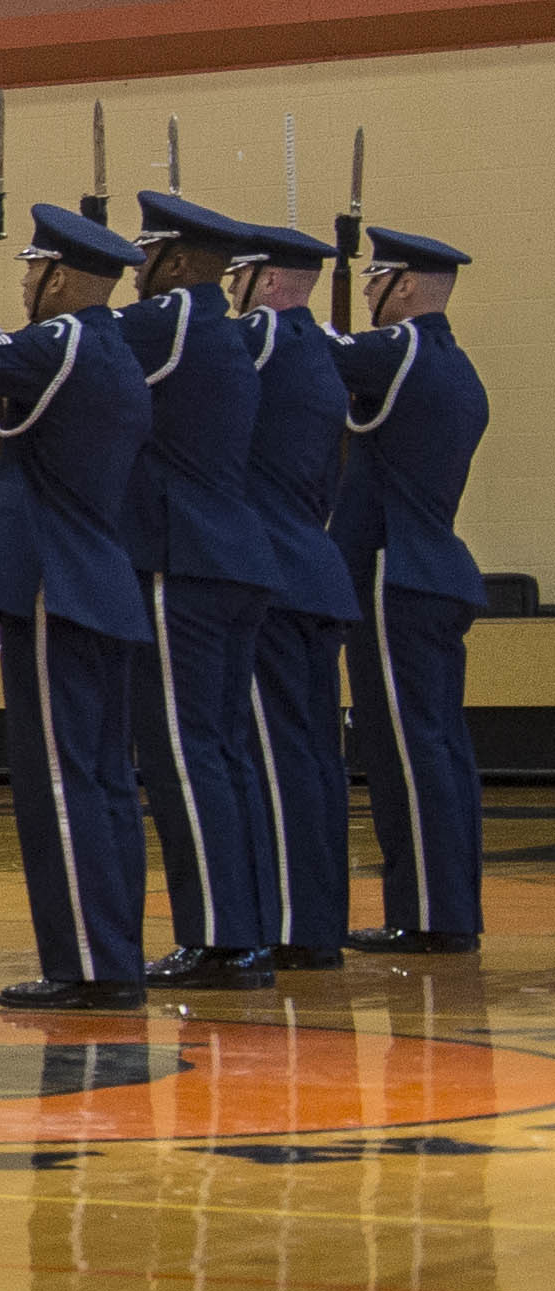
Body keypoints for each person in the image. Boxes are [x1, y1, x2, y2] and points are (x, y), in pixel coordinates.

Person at [0, 200, 158, 1009]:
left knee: (60, 785)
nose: (28, 283)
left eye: (33, 270)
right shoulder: (109, 350)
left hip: (54, 584)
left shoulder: (67, 341)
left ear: (60, 275)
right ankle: (113, 955)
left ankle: (86, 967)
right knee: (101, 783)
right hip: (96, 584)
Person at [117, 190, 292, 986]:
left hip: (181, 556)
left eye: (145, 252)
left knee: (183, 752)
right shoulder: (217, 329)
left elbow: (73, 356)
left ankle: (219, 940)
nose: (134, 266)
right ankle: (244, 926)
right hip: (231, 556)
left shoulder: (171, 320)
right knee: (222, 754)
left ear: (178, 262)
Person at [334, 222, 487, 953]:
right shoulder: (457, 366)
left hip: (397, 570)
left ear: (406, 286)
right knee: (439, 747)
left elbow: (309, 356)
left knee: (408, 751)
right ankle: (445, 908)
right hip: (434, 570)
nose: (367, 291)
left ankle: (426, 916)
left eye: (375, 279)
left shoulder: (403, 352)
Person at [226, 211, 363, 969]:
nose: (227, 291)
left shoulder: (268, 338)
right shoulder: (320, 352)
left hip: (272, 572)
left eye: (235, 275)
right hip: (313, 566)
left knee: (275, 755)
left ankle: (288, 926)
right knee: (310, 758)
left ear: (267, 280)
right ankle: (314, 915)